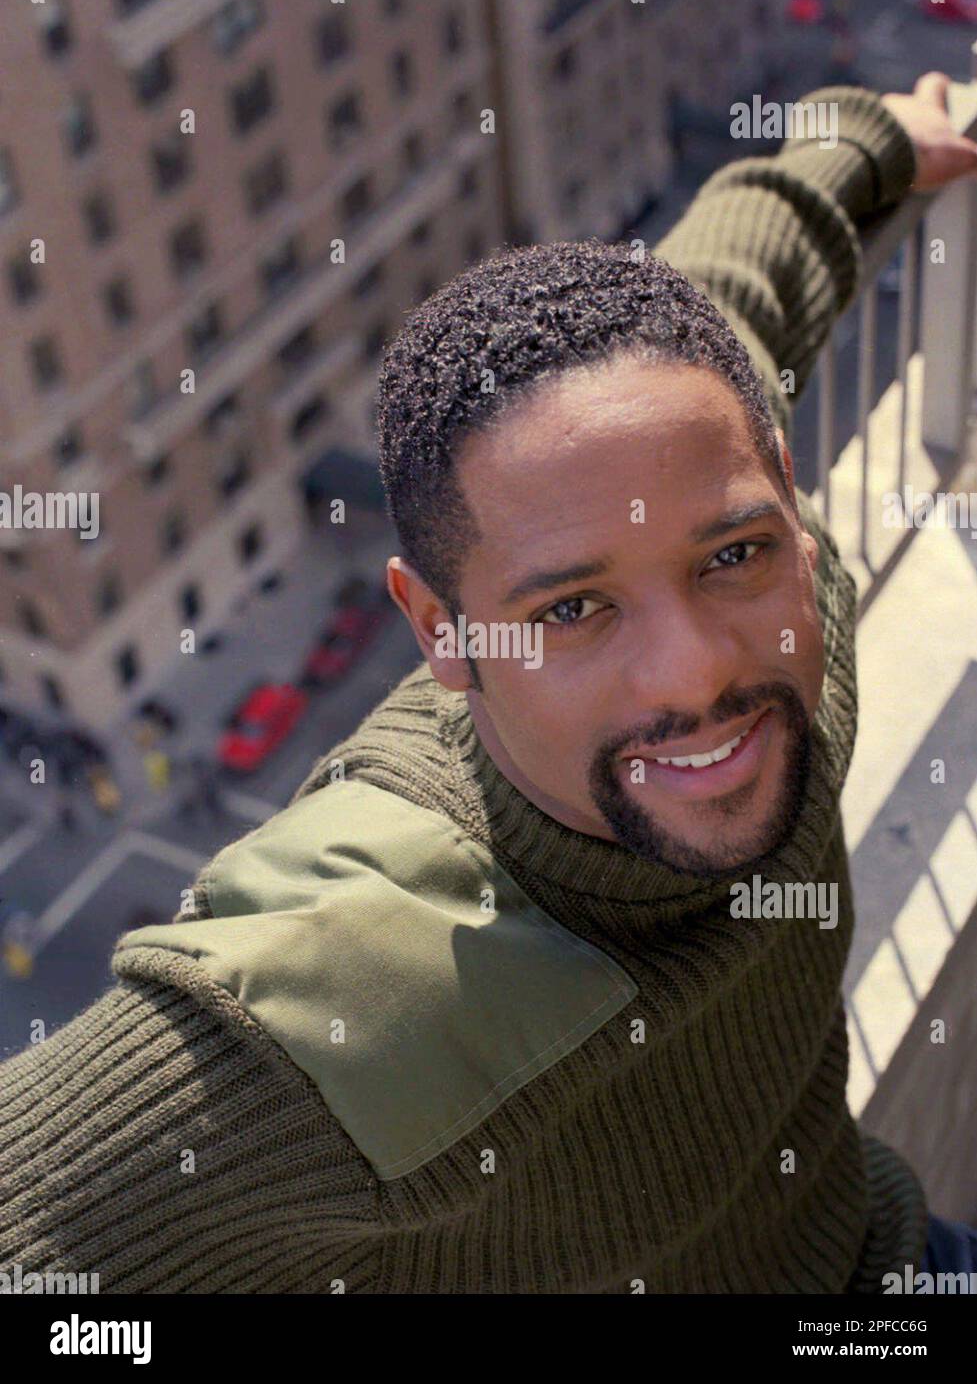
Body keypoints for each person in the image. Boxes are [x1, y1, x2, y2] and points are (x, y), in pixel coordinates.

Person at [2, 75, 976, 1294]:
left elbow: (729, 282)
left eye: (729, 553)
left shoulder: (775, 574)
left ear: (781, 489)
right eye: (571, 609)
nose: (697, 670)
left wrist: (862, 140)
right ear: (437, 630)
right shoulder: (349, 994)